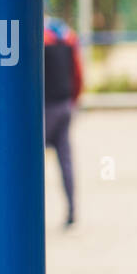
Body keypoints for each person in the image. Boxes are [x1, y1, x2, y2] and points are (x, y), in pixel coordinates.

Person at [43, 16, 82, 227]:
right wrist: (73, 99)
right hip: (65, 104)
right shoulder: (67, 36)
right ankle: (72, 209)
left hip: (44, 107)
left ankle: (24, 208)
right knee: (65, 160)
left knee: (28, 161)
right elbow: (77, 72)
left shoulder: (36, 37)